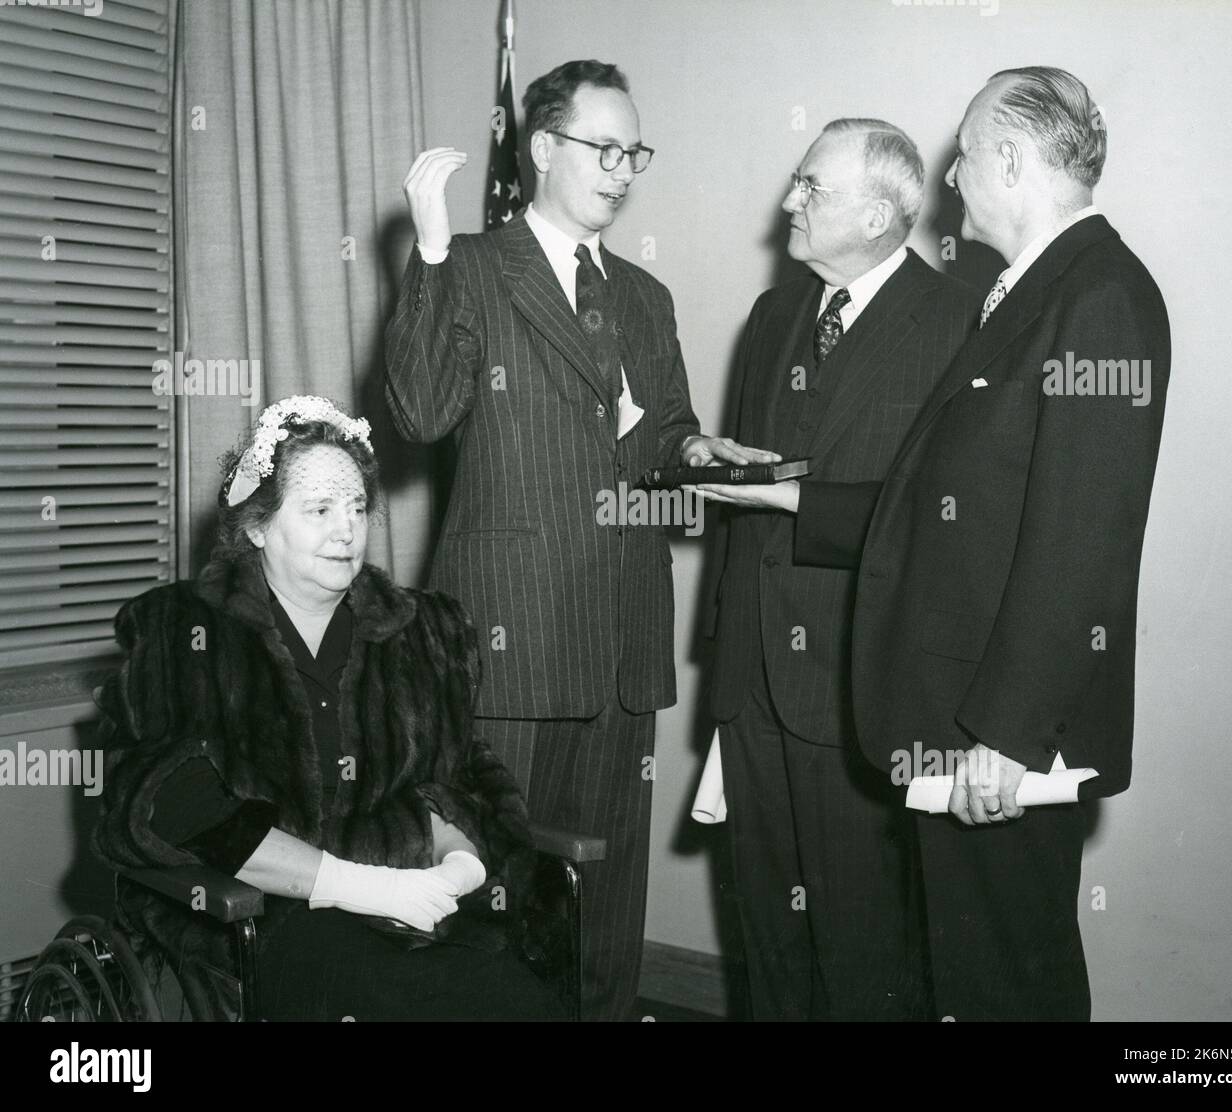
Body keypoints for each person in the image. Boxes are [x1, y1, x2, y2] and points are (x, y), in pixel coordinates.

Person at [384, 59, 773, 1020]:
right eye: (604, 147)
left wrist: (696, 447)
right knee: (498, 892)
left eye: (633, 150)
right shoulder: (473, 267)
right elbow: (423, 412)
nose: (623, 168)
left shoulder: (645, 295)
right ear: (543, 147)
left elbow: (662, 427)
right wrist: (431, 254)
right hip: (510, 639)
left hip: (622, 638)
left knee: (607, 898)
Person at [793, 67, 1171, 1020]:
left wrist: (1005, 736)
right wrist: (783, 498)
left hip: (997, 739)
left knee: (1007, 984)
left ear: (1008, 157)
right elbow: (960, 501)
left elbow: (1083, 540)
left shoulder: (1102, 297)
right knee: (972, 981)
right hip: (960, 718)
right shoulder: (1033, 289)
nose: (952, 180)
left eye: (963, 154)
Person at [94, 396, 560, 1021]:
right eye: (319, 509)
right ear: (257, 526)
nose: (347, 529)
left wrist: (458, 867)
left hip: (411, 912)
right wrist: (359, 886)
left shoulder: (423, 632)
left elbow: (455, 781)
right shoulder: (185, 632)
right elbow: (166, 802)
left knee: (517, 1005)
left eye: (358, 507)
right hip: (262, 918)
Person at [692, 120, 979, 1019]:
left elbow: (940, 518)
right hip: (751, 689)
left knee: (863, 956)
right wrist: (709, 458)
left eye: (813, 188)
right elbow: (747, 490)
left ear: (883, 213)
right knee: (768, 954)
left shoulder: (956, 322)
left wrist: (784, 498)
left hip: (862, 691)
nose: (789, 204)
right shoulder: (776, 315)